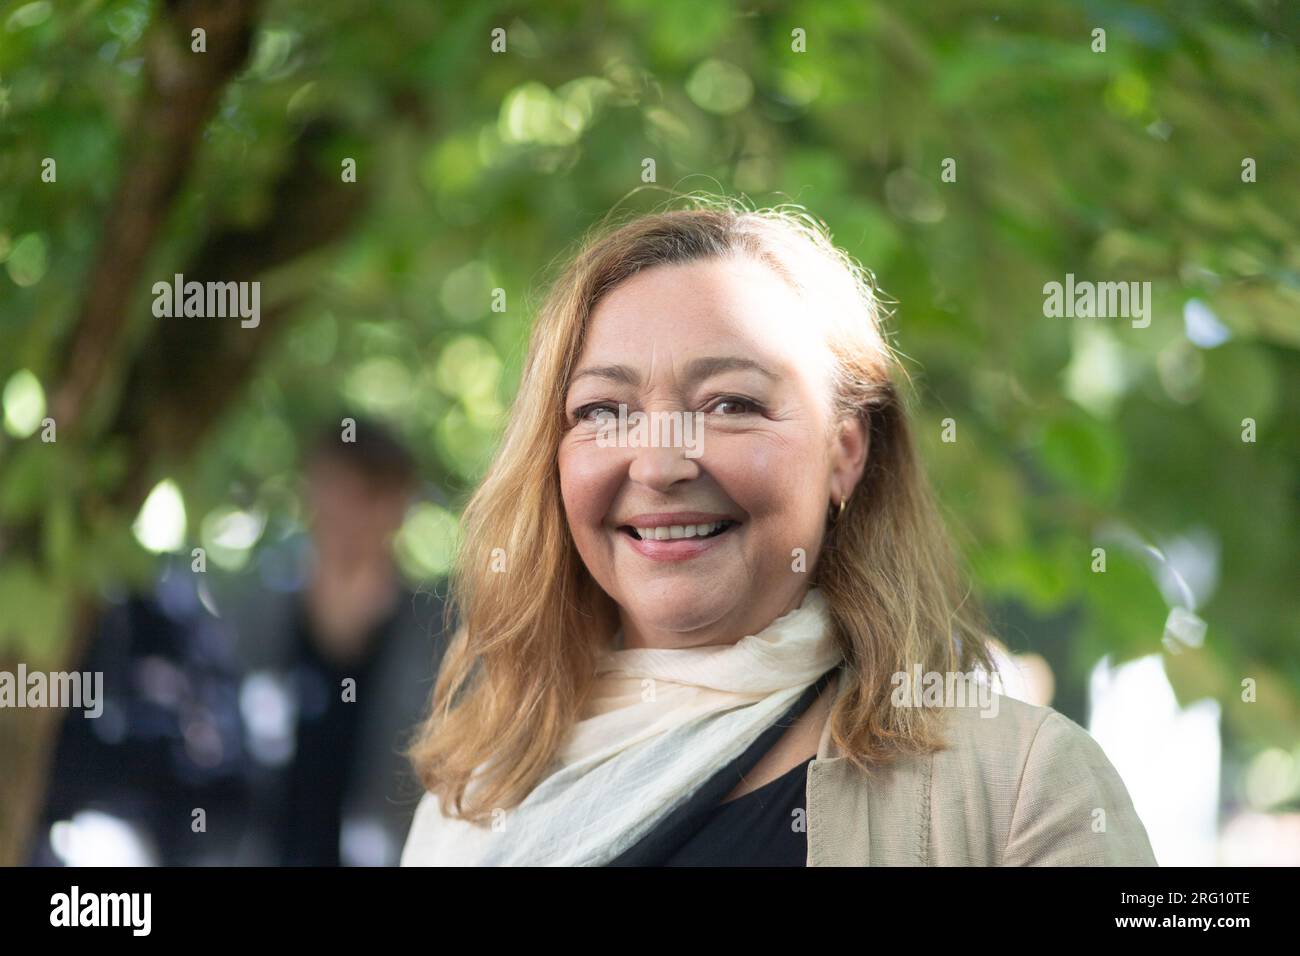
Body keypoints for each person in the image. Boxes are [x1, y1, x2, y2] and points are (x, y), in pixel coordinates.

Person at [400, 199, 1156, 866]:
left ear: (846, 453)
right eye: (604, 411)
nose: (660, 464)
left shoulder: (1019, 789)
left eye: (731, 403)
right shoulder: (475, 788)